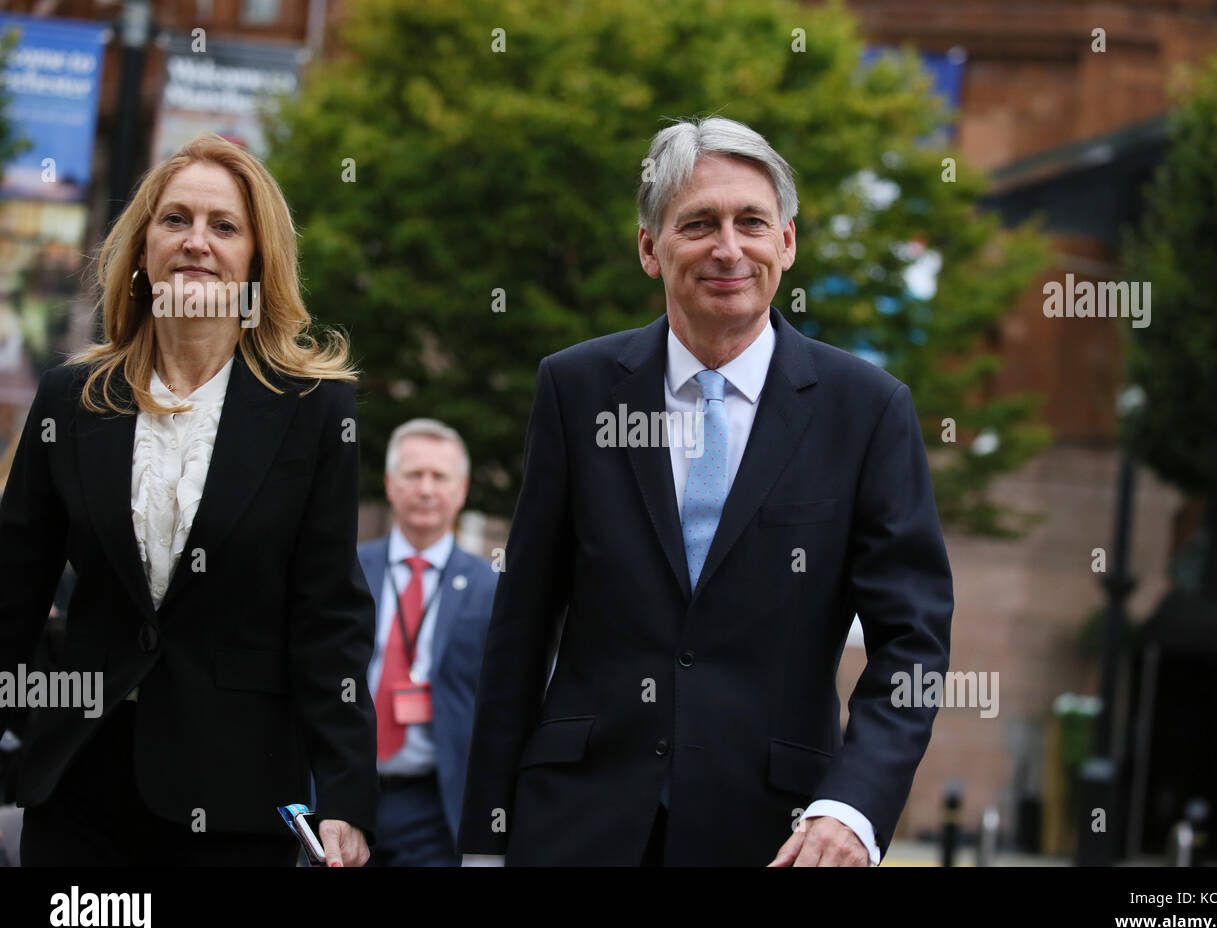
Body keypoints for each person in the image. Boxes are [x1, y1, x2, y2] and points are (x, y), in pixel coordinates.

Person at [459, 116, 954, 866]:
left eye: (751, 222)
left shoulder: (867, 410)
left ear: (786, 243)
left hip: (776, 834)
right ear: (649, 249)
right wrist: (486, 840)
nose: (729, 248)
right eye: (698, 224)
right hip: (577, 827)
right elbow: (521, 625)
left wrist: (854, 807)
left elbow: (912, 644)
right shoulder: (576, 388)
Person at [0, 132, 378, 866]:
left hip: (235, 797)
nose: (196, 242)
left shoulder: (314, 411)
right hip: (78, 785)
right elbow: (11, 595)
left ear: (257, 260)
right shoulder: (70, 402)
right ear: (143, 248)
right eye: (175, 220)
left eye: (223, 226)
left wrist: (345, 793)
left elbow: (329, 613)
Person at [357, 419, 496, 865]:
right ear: (390, 485)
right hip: (346, 796)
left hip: (436, 804)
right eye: (413, 475)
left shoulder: (490, 587)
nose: (426, 488)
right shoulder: (348, 571)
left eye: (440, 476)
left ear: (462, 489)